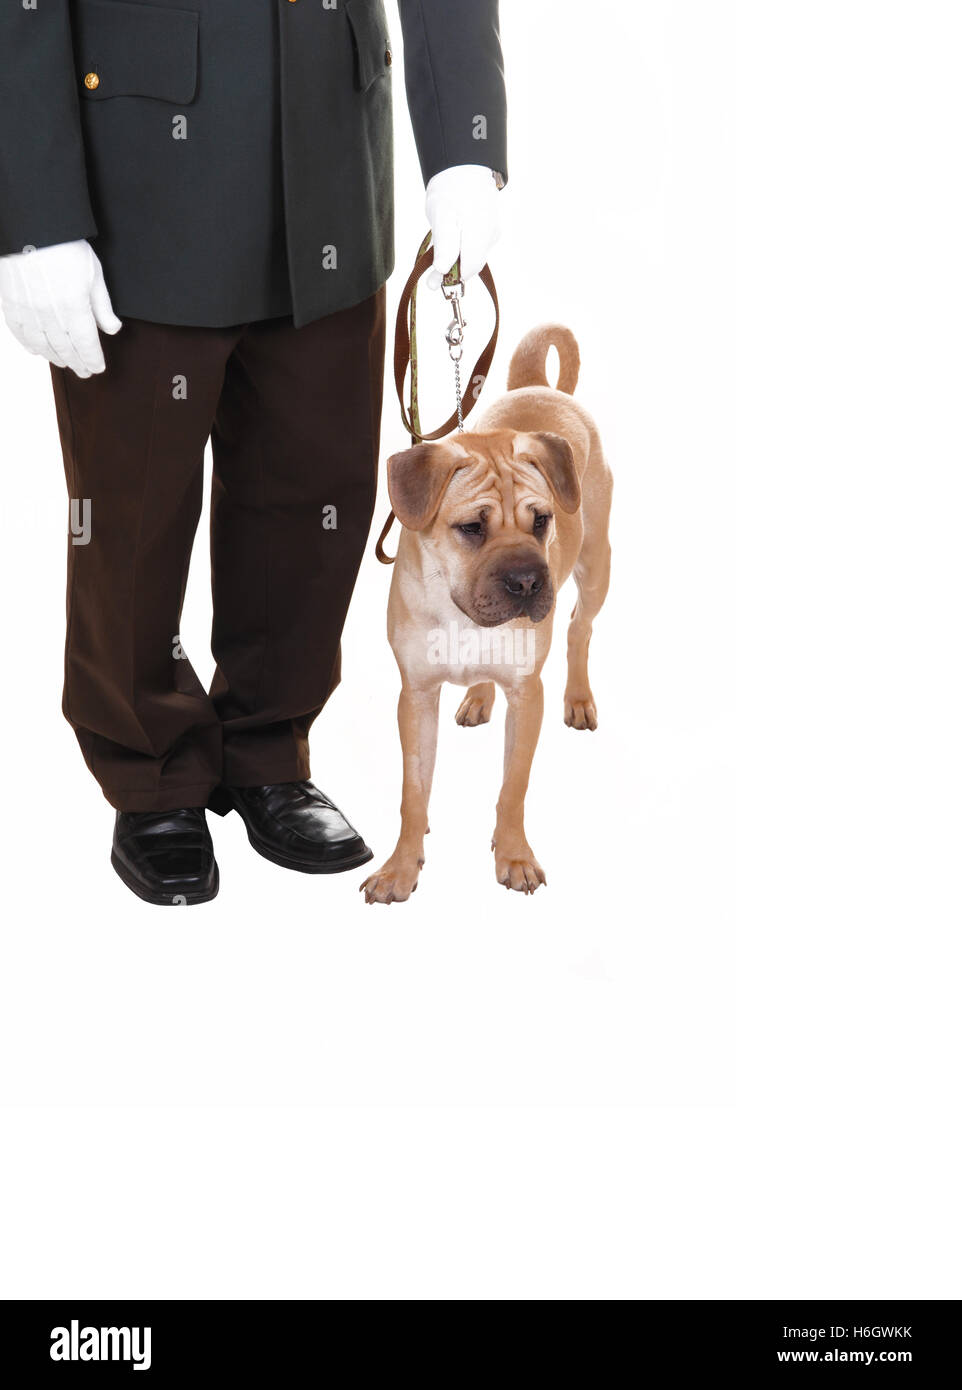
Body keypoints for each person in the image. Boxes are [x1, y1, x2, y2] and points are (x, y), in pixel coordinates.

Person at [0, 0, 507, 905]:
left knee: (316, 488)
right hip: (136, 180)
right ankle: (151, 772)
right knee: (132, 512)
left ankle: (269, 745)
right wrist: (32, 207)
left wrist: (463, 133)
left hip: (328, 158)